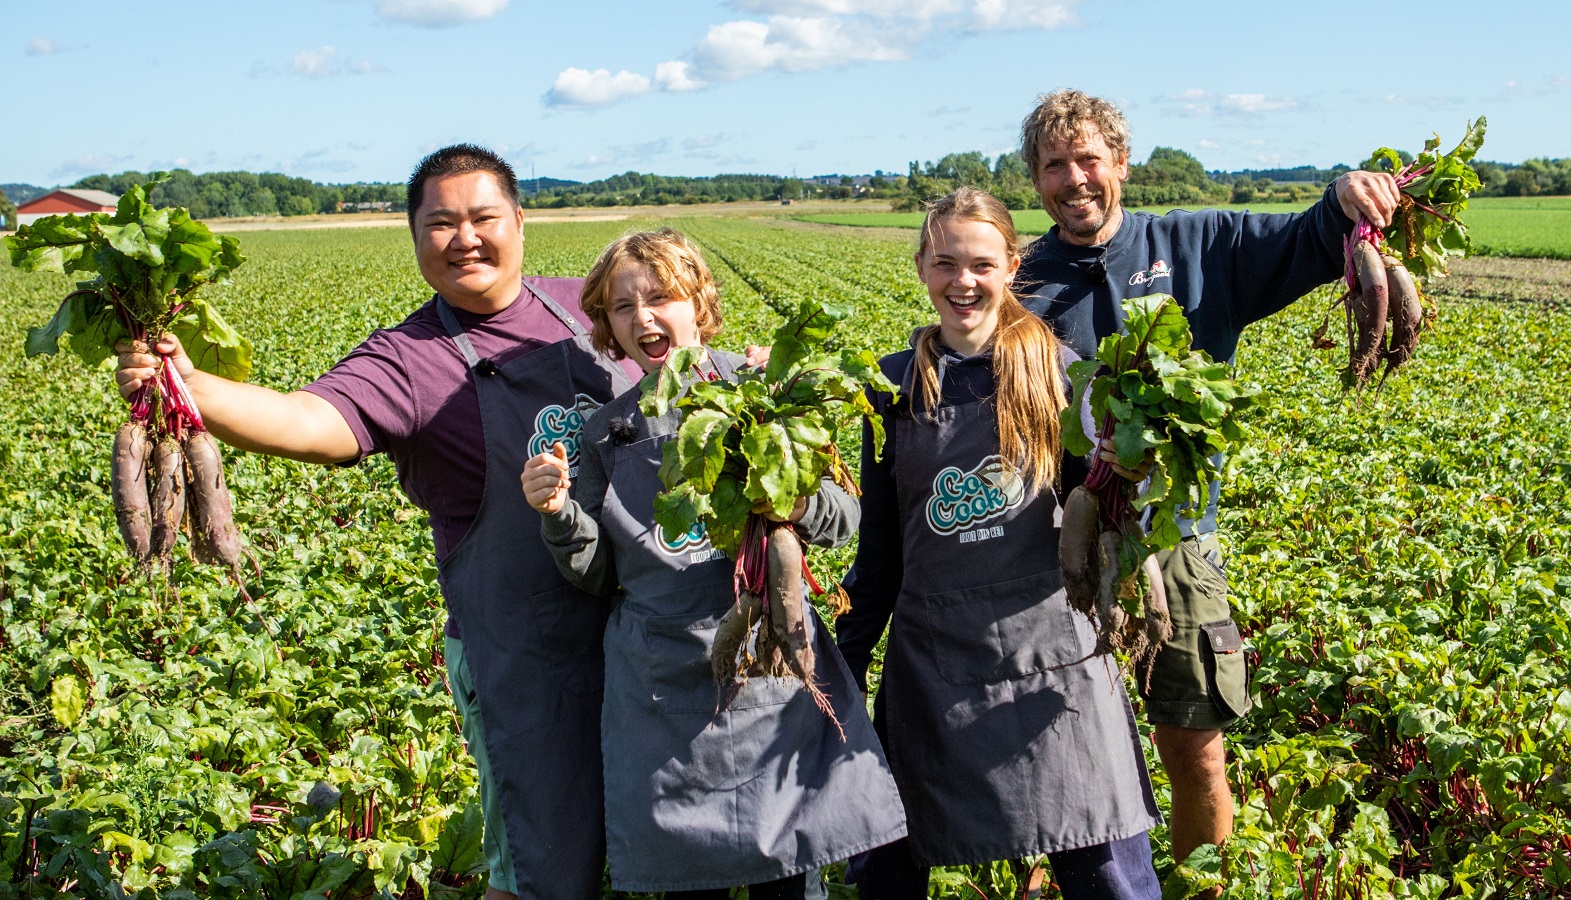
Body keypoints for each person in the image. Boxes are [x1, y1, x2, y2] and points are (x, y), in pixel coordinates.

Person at [114, 145, 648, 900]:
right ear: (415, 238)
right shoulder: (407, 360)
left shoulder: (592, 310)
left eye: (483, 217)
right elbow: (307, 420)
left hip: (642, 635)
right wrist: (190, 384)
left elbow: (684, 363)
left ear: (520, 223)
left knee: (656, 847)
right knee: (541, 866)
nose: (465, 238)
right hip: (525, 655)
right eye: (441, 223)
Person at [1013, 89, 1403, 878]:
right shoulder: (1019, 286)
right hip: (1060, 547)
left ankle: (1198, 889)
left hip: (1178, 544)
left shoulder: (1202, 244)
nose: (1075, 179)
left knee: (1195, 749)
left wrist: (1343, 197)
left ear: (1121, 163)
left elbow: (1309, 238)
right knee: (1054, 752)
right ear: (1036, 181)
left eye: (1089, 159)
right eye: (1055, 165)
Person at [522, 228, 907, 899]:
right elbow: (597, 575)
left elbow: (843, 519)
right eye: (622, 306)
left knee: (785, 872)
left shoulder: (761, 392)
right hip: (664, 693)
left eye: (661, 297)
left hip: (771, 672)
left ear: (699, 300)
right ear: (608, 326)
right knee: (685, 877)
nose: (644, 317)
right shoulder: (606, 432)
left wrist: (785, 498)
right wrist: (558, 513)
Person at [834, 187, 1163, 899]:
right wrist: (842, 668)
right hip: (936, 667)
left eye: (982, 263)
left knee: (1103, 862)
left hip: (1057, 658)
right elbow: (881, 555)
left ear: (1012, 266)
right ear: (921, 266)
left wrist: (1134, 475)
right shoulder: (891, 388)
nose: (963, 281)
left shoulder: (1064, 371)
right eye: (945, 262)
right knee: (889, 859)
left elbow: (1106, 515)